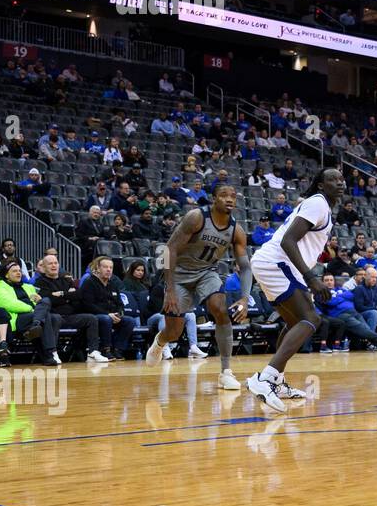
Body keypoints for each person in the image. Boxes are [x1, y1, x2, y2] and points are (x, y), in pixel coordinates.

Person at [246, 169, 347, 412]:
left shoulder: (321, 207)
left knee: (295, 323)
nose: (340, 182)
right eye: (333, 179)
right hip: (277, 262)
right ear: (321, 185)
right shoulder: (318, 204)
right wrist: (311, 278)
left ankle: (277, 381)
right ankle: (265, 379)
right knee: (310, 318)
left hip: (274, 264)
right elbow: (287, 241)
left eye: (342, 179)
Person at [145, 183, 252, 391]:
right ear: (213, 199)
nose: (229, 199)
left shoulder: (236, 230)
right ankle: (160, 341)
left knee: (221, 310)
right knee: (174, 332)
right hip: (178, 274)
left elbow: (246, 267)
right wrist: (170, 289)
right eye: (223, 195)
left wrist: (245, 298)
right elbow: (168, 249)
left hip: (206, 272)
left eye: (233, 196)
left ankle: (225, 372)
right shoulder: (196, 217)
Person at [34, 254, 106, 363]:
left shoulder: (66, 280)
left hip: (71, 316)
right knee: (55, 318)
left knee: (91, 318)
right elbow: (48, 300)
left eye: (55, 263)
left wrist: (61, 295)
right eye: (50, 263)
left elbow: (78, 296)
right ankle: (53, 353)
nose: (54, 265)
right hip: (54, 315)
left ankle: (92, 352)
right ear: (43, 267)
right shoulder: (40, 282)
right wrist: (67, 296)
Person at [0, 259, 60, 366]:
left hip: (32, 317)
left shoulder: (29, 287)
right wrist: (33, 308)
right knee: (45, 316)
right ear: (7, 275)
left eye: (19, 270)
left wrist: (38, 301)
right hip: (17, 319)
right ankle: (50, 353)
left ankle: (36, 328)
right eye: (14, 271)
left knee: (47, 304)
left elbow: (41, 304)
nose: (19, 273)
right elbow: (9, 304)